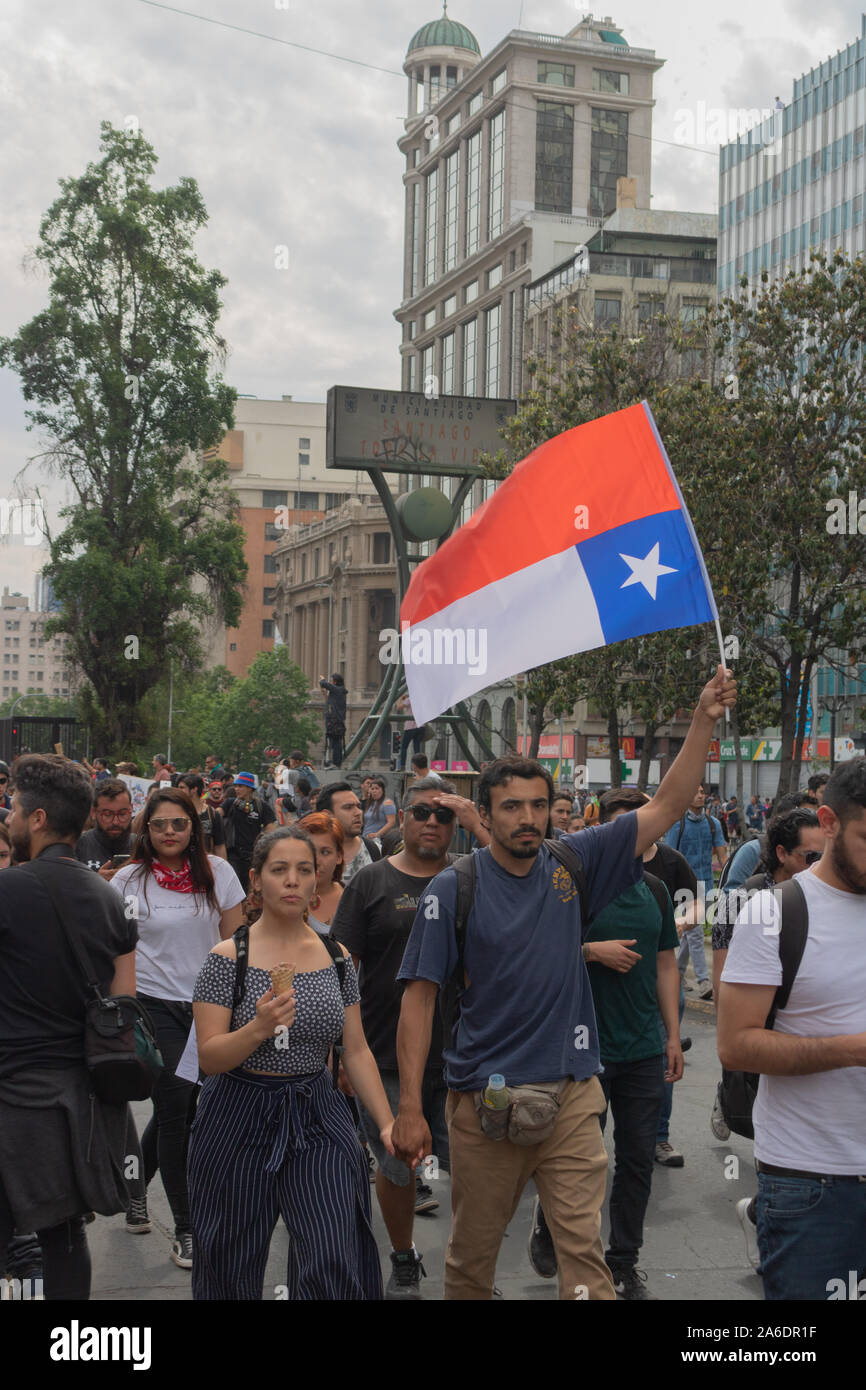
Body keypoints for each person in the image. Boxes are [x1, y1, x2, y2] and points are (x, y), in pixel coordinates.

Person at [390, 665, 736, 1301]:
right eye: (511, 807)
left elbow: (663, 807)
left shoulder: (576, 862)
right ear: (485, 816)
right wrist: (410, 1107)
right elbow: (419, 999)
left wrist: (703, 720)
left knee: (585, 1258)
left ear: (552, 810)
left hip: (575, 1095)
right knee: (471, 1263)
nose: (527, 818)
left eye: (538, 806)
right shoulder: (454, 889)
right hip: (483, 1102)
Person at [188, 825, 396, 1300]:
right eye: (279, 870)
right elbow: (210, 1056)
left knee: (332, 1252)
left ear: (317, 880)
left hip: (316, 1110)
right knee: (228, 1262)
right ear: (256, 879)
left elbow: (356, 1049)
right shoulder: (228, 958)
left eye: (305, 870)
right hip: (236, 1112)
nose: (293, 881)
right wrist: (257, 1029)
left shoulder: (335, 955)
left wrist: (385, 1125)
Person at [717, 759, 866, 1301]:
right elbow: (737, 1044)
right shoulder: (774, 913)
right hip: (813, 1182)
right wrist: (855, 1050)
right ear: (828, 822)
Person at [528, 786, 683, 1300]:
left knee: (636, 1159)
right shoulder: (572, 886)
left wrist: (672, 1035)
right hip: (582, 1049)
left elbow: (665, 964)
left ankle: (623, 1260)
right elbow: (535, 950)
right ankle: (551, 1225)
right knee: (577, 1160)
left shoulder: (656, 891)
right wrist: (592, 951)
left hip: (641, 1046)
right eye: (621, 827)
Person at [0, 755, 137, 1300]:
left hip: (12, 1092)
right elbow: (124, 998)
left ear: (36, 820)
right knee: (62, 1236)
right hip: (79, 1092)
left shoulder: (8, 891)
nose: (9, 815)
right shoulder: (108, 896)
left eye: (14, 806)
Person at [333, 777, 458, 1300]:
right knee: (398, 1163)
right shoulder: (372, 882)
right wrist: (344, 1049)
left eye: (444, 814)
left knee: (475, 1170)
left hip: (461, 1052)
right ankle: (404, 1258)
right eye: (421, 811)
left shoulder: (471, 877)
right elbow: (342, 968)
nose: (432, 821)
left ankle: (470, 1266)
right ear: (401, 817)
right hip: (382, 1051)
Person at [109, 788, 245, 1268]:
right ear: (146, 831)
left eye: (179, 824)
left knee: (185, 1107)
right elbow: (116, 946)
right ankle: (187, 1229)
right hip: (153, 1007)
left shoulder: (219, 874)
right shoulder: (128, 880)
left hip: (208, 1008)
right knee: (175, 1111)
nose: (169, 832)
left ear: (194, 828)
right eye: (159, 824)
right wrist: (122, 1008)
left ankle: (134, 1187)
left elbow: (235, 943)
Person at [665, 783, 725, 1001]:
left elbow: (722, 856)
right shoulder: (677, 824)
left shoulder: (713, 824)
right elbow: (669, 856)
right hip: (683, 887)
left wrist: (725, 887)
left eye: (702, 792)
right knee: (696, 934)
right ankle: (703, 981)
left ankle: (677, 975)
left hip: (707, 886)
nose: (701, 796)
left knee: (691, 936)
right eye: (696, 792)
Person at [316, 783, 383, 885]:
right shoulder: (309, 855)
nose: (358, 812)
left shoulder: (374, 850)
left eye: (358, 806)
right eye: (348, 807)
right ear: (327, 815)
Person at [221, 772, 276, 892]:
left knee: (251, 890)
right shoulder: (229, 803)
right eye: (236, 786)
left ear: (250, 788)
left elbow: (271, 830)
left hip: (253, 856)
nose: (236, 789)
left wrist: (263, 845)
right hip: (233, 855)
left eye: (240, 786)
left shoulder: (261, 806)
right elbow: (215, 815)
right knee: (233, 889)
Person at [75, 778, 135, 877]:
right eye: (107, 814)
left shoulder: (141, 847)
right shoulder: (78, 846)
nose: (115, 822)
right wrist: (95, 882)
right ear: (93, 812)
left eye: (122, 814)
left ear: (131, 809)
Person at [297, 811, 345, 931]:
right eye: (309, 851)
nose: (316, 861)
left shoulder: (353, 897)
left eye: (325, 852)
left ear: (339, 856)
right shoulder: (286, 899)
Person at [179, 774, 227, 860]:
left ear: (194, 789)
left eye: (182, 787)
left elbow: (219, 846)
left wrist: (223, 869)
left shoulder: (212, 814)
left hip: (205, 865)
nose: (178, 791)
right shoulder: (177, 813)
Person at [319, 673, 347, 768]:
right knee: (333, 741)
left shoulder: (338, 689)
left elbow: (323, 683)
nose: (330, 682)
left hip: (335, 720)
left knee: (335, 742)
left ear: (335, 682)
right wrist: (325, 695)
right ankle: (334, 762)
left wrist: (322, 679)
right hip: (333, 719)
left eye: (331, 681)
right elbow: (331, 703)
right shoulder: (337, 692)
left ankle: (336, 763)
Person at [396, 693, 424, 770]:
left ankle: (402, 766)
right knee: (417, 748)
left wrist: (400, 698)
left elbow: (398, 707)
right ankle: (418, 766)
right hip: (421, 726)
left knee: (404, 747)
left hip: (410, 727)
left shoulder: (411, 699)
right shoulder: (423, 699)